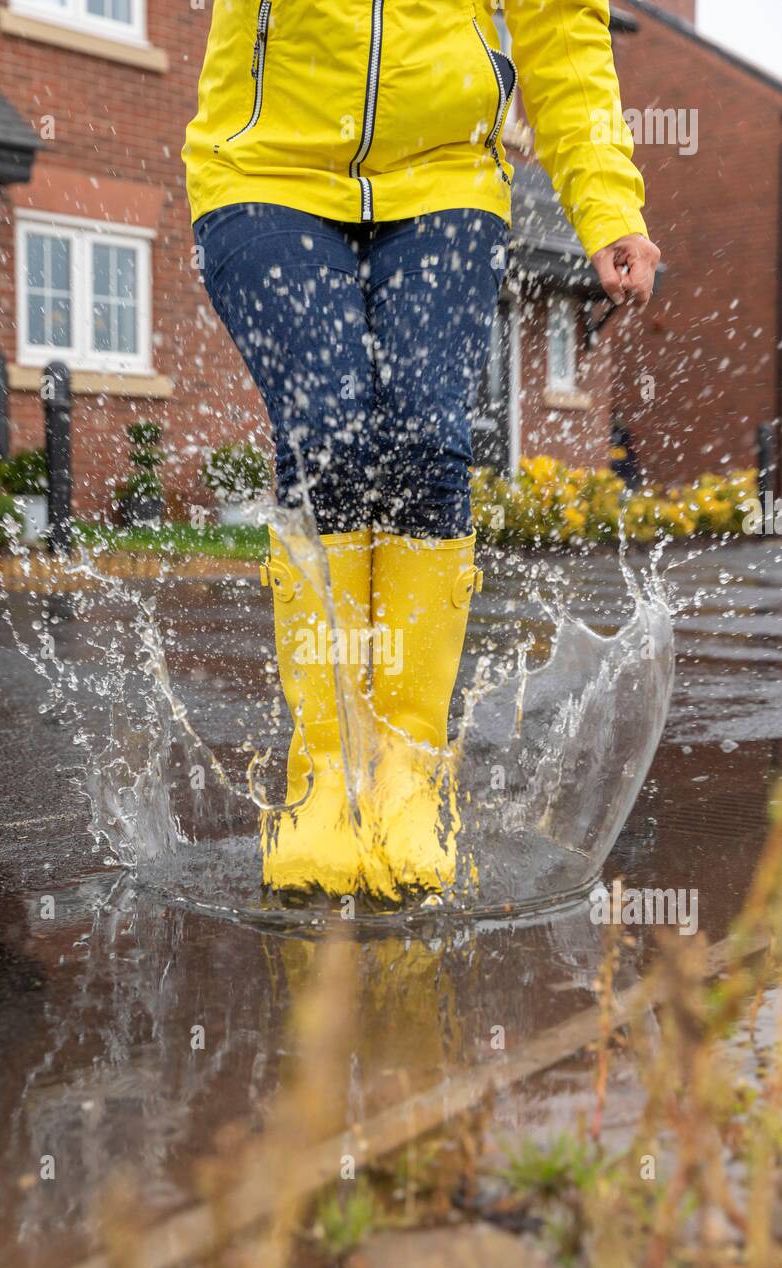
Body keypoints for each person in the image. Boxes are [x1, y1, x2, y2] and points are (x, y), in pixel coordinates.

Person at [183, 0, 661, 901]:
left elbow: (561, 33)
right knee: (328, 431)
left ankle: (405, 768)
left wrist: (605, 203)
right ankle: (325, 770)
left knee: (425, 438)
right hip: (263, 171)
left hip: (444, 184)